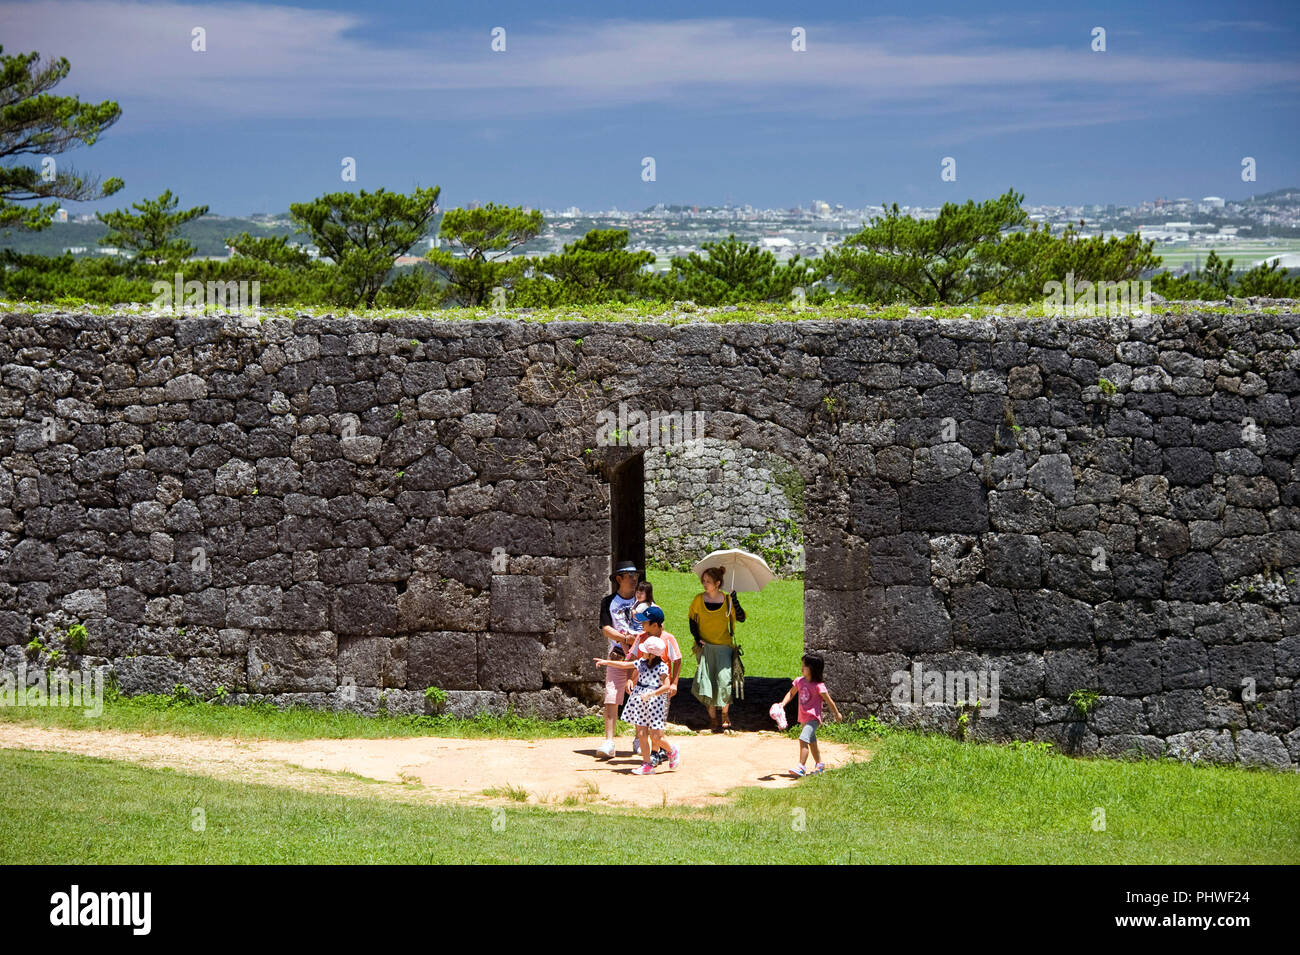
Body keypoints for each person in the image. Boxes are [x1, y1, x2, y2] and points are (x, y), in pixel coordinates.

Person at [594, 636, 681, 775]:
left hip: (655, 703)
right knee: (641, 733)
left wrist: (652, 694)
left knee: (656, 736)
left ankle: (672, 750)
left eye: (645, 651)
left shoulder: (662, 667)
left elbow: (666, 686)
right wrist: (606, 662)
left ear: (652, 654)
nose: (642, 653)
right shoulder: (641, 662)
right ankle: (647, 764)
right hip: (640, 701)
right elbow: (625, 665)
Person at [687, 565, 746, 732]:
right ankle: (713, 719)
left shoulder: (727, 600)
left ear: (718, 583)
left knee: (724, 682)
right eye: (703, 581)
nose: (705, 584)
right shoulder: (698, 600)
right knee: (707, 685)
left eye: (708, 581)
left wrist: (734, 599)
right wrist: (697, 639)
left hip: (724, 648)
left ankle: (725, 714)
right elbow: (692, 621)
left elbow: (740, 618)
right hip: (705, 649)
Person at [596, 561, 642, 758]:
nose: (634, 580)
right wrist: (624, 639)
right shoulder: (608, 602)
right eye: (629, 576)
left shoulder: (643, 601)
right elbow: (605, 628)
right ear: (618, 579)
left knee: (640, 697)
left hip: (641, 656)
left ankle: (640, 739)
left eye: (635, 576)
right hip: (617, 654)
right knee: (612, 698)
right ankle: (609, 741)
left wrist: (639, 641)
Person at [627, 603, 681, 767]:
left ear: (655, 625)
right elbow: (633, 659)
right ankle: (655, 753)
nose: (642, 625)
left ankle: (656, 752)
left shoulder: (668, 639)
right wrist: (630, 679)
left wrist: (674, 683)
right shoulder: (641, 638)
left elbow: (677, 660)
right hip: (644, 690)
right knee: (645, 723)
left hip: (660, 690)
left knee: (656, 724)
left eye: (645, 622)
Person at [775, 653, 843, 777]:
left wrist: (836, 714)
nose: (802, 668)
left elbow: (829, 701)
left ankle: (801, 767)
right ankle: (820, 765)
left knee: (803, 738)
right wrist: (782, 704)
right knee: (812, 742)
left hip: (813, 718)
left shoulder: (819, 686)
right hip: (803, 717)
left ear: (812, 668)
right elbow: (791, 693)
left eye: (804, 666)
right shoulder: (799, 681)